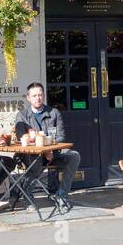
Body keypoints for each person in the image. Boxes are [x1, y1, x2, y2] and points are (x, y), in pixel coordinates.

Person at [14, 82, 82, 210]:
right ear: (28, 98)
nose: (38, 98)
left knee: (74, 156)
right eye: (34, 95)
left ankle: (61, 195)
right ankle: (27, 195)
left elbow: (61, 136)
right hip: (31, 155)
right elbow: (22, 138)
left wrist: (50, 150)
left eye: (40, 95)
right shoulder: (22, 115)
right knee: (37, 159)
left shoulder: (54, 112)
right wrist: (44, 151)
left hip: (53, 153)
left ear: (44, 96)